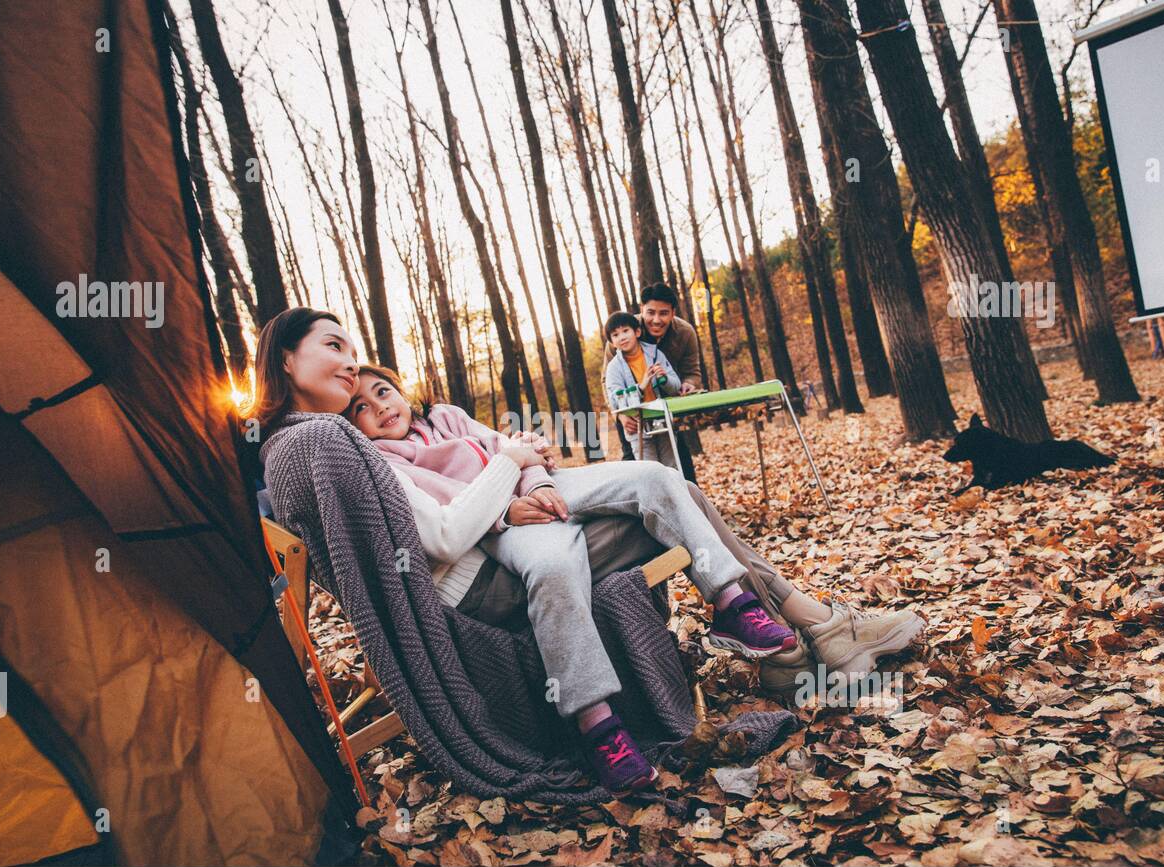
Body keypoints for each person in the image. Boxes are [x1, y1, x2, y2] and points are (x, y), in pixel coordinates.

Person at [253, 308, 925, 794]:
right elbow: (447, 531)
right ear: (284, 356)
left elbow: (499, 467)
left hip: (523, 515)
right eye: (332, 348)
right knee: (675, 493)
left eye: (367, 368)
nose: (352, 368)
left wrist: (529, 476)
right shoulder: (334, 443)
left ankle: (786, 624)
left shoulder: (355, 434)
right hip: (496, 565)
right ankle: (809, 628)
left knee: (668, 486)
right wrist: (507, 490)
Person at [344, 364, 797, 793]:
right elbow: (452, 515)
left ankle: (732, 603)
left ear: (402, 390)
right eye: (361, 407)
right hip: (499, 527)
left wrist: (538, 484)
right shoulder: (384, 461)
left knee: (655, 477)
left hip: (537, 488)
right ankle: (598, 727)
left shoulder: (448, 416)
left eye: (383, 392)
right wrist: (507, 512)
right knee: (553, 567)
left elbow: (513, 449)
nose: (380, 407)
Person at [602, 283, 702, 480]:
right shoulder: (622, 334)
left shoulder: (685, 333)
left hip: (665, 411)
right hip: (632, 413)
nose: (656, 320)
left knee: (679, 464)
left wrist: (688, 383)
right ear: (642, 310)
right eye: (650, 312)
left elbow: (692, 372)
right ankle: (640, 509)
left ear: (673, 312)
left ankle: (688, 503)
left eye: (664, 313)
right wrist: (621, 415)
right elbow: (607, 381)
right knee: (636, 466)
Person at [602, 311, 682, 468]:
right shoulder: (614, 368)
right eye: (616, 335)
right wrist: (641, 387)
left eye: (626, 331)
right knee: (649, 470)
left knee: (672, 468)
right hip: (638, 427)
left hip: (662, 420)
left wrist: (663, 379)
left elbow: (676, 386)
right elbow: (614, 400)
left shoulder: (655, 354)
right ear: (612, 342)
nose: (622, 337)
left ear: (637, 332)